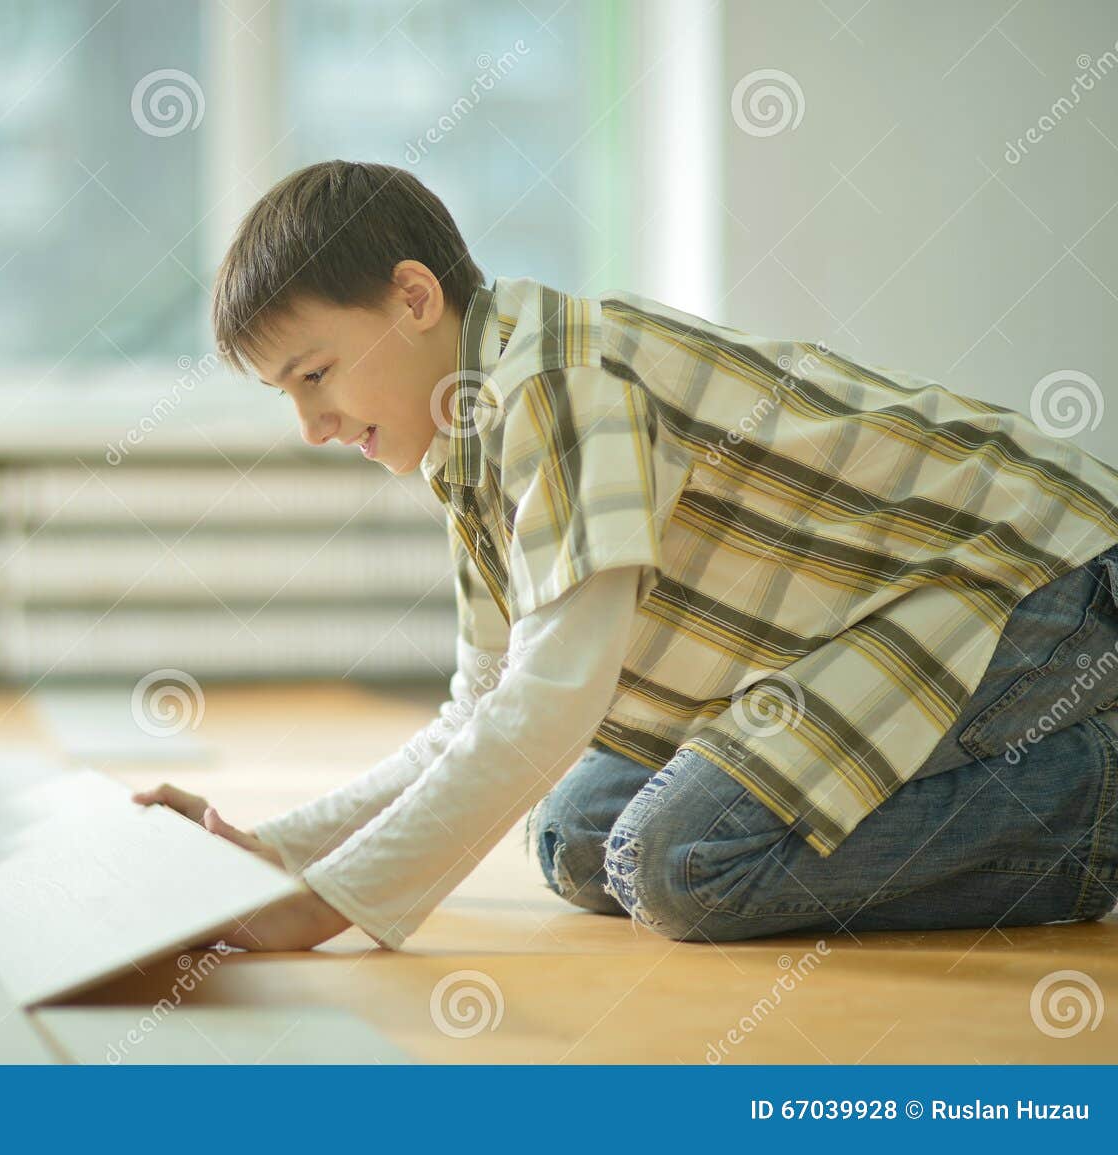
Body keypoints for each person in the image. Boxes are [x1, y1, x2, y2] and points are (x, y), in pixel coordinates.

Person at [135, 159, 1118, 952]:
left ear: (413, 298)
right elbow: (481, 709)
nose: (310, 424)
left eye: (314, 375)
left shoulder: (558, 385)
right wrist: (272, 851)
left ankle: (1098, 804)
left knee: (678, 862)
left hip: (1035, 573)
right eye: (285, 394)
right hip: (885, 623)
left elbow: (551, 699)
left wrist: (325, 906)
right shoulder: (466, 438)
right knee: (576, 836)